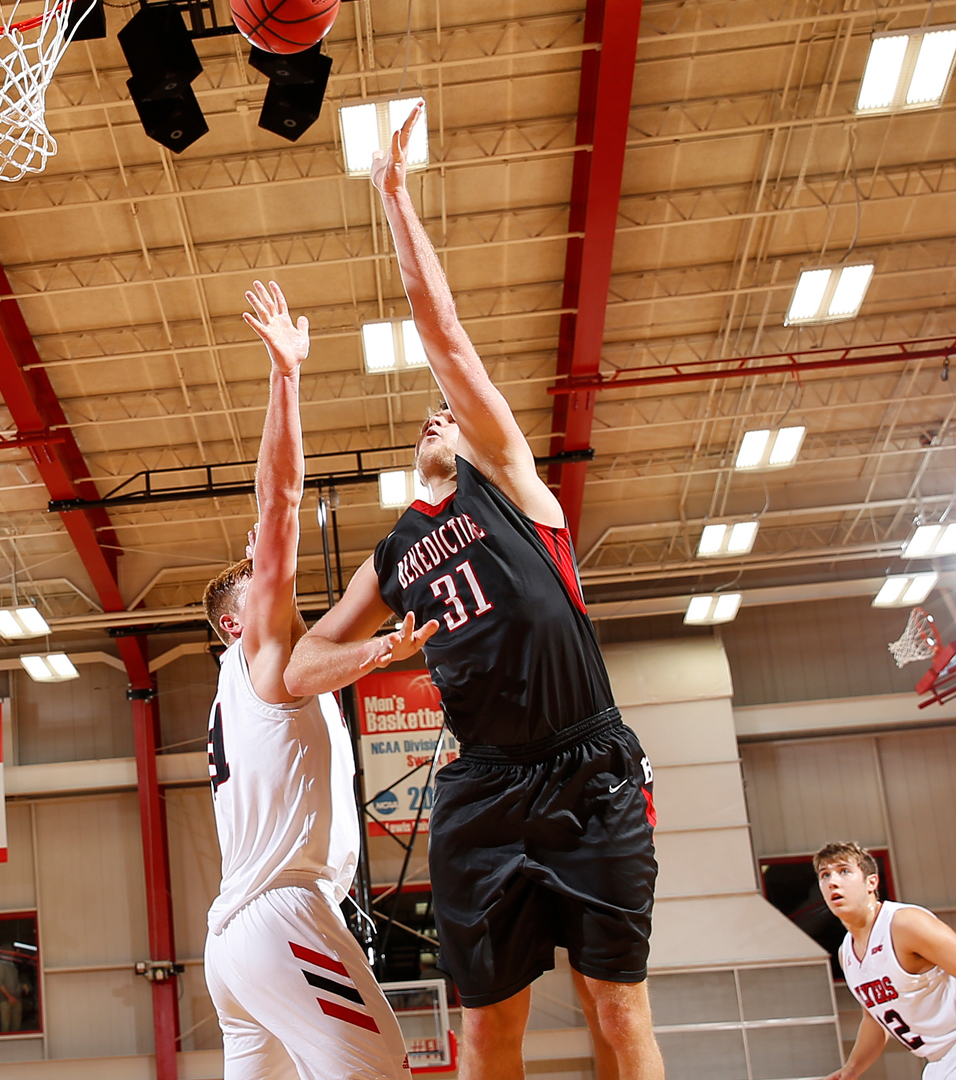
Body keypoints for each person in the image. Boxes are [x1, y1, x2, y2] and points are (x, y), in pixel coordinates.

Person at [283, 106, 662, 1080]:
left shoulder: (514, 484)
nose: (440, 414)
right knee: (488, 1030)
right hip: (484, 785)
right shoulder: (396, 555)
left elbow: (440, 329)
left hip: (591, 765)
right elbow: (294, 667)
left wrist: (395, 197)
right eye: (428, 417)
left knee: (617, 1010)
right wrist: (373, 654)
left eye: (452, 409)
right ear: (413, 452)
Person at [203, 280, 412, 1080]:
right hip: (282, 914)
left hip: (234, 942)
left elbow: (354, 611)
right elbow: (280, 499)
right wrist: (287, 375)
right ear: (236, 618)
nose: (274, 577)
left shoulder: (274, 672)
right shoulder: (257, 652)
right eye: (259, 577)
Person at [817, 842, 956, 1080]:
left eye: (844, 871)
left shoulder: (904, 924)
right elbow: (875, 1020)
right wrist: (851, 1070)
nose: (833, 881)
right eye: (825, 875)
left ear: (871, 883)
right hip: (936, 1065)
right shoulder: (847, 953)